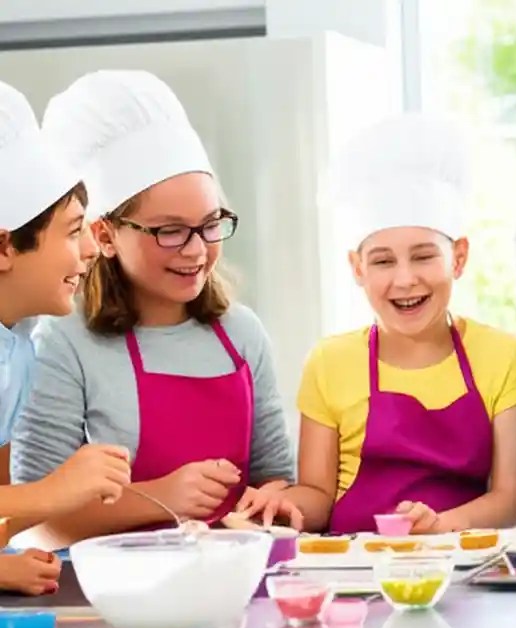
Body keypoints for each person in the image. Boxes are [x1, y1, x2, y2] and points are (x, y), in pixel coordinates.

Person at [11, 70, 299, 548]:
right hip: (105, 593)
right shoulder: (64, 342)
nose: (196, 250)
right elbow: (34, 522)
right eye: (169, 230)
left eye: (209, 225)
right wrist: (160, 497)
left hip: (236, 582)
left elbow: (276, 480)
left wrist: (274, 502)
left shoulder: (242, 333)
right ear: (104, 235)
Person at [285, 114, 516, 534]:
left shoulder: (502, 356)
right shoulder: (330, 361)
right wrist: (281, 506)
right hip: (352, 564)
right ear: (357, 268)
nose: (405, 279)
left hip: (459, 563)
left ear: (459, 257)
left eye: (423, 256)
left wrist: (440, 526)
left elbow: (510, 500)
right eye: (382, 261)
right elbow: (317, 496)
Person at [0, 80, 128, 594]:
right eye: (73, 232)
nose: (91, 252)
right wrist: (53, 492)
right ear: (5, 248)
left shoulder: (21, 346)